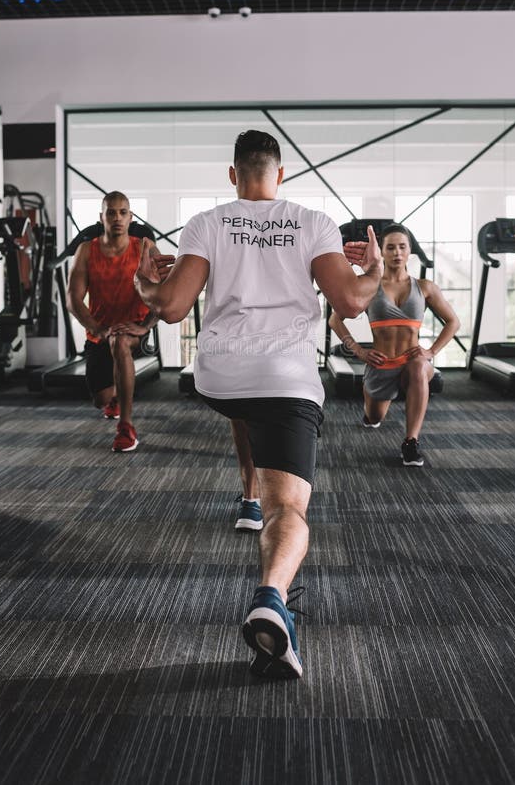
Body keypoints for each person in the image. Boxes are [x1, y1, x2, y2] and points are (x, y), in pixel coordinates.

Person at [134, 130, 382, 679]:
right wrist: (373, 273)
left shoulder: (208, 221)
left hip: (219, 375)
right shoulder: (313, 221)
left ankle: (247, 492)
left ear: (233, 175)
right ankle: (271, 595)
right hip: (284, 375)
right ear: (281, 174)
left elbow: (171, 307)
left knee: (249, 411)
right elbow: (351, 300)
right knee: (288, 508)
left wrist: (143, 280)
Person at [330, 223, 460, 467]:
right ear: (381, 251)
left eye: (402, 247)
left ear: (410, 250)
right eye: (390, 247)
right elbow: (334, 319)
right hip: (381, 364)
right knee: (374, 416)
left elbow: (453, 322)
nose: (397, 253)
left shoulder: (425, 287)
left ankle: (411, 443)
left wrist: (431, 352)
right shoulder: (369, 285)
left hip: (412, 360)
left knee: (419, 368)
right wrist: (358, 351)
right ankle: (370, 412)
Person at [66, 191, 163, 453]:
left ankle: (126, 428)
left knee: (120, 343)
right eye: (111, 212)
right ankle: (115, 398)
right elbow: (73, 300)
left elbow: (164, 292)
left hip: (133, 325)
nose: (117, 217)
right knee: (102, 398)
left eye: (123, 212)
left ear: (130, 217)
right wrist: (98, 329)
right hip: (100, 329)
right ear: (102, 217)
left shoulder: (145, 248)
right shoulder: (86, 251)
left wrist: (146, 326)